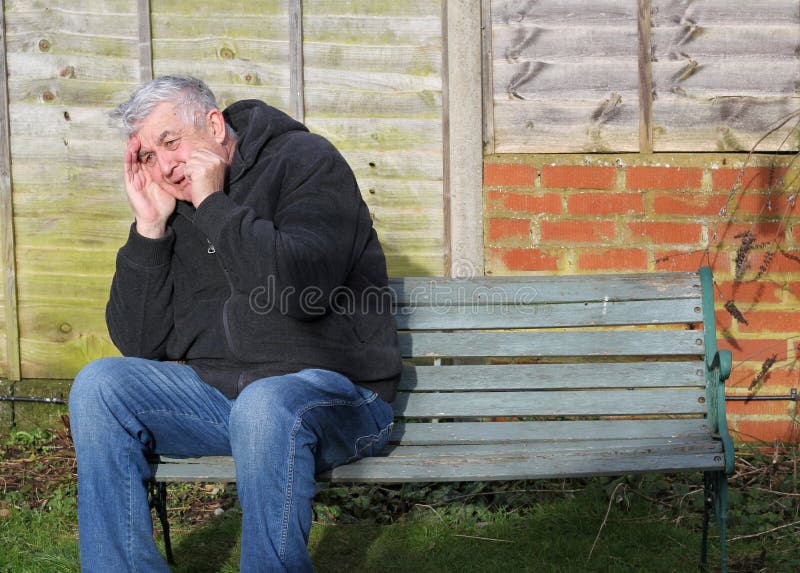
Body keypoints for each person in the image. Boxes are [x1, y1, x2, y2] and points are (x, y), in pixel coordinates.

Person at [68, 75, 402, 572]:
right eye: (147, 157)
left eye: (170, 143)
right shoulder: (172, 204)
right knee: (99, 385)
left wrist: (215, 206)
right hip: (226, 402)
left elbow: (298, 292)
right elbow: (139, 343)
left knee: (265, 405)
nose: (165, 167)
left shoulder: (306, 162)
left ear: (214, 125)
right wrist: (149, 229)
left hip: (339, 396)